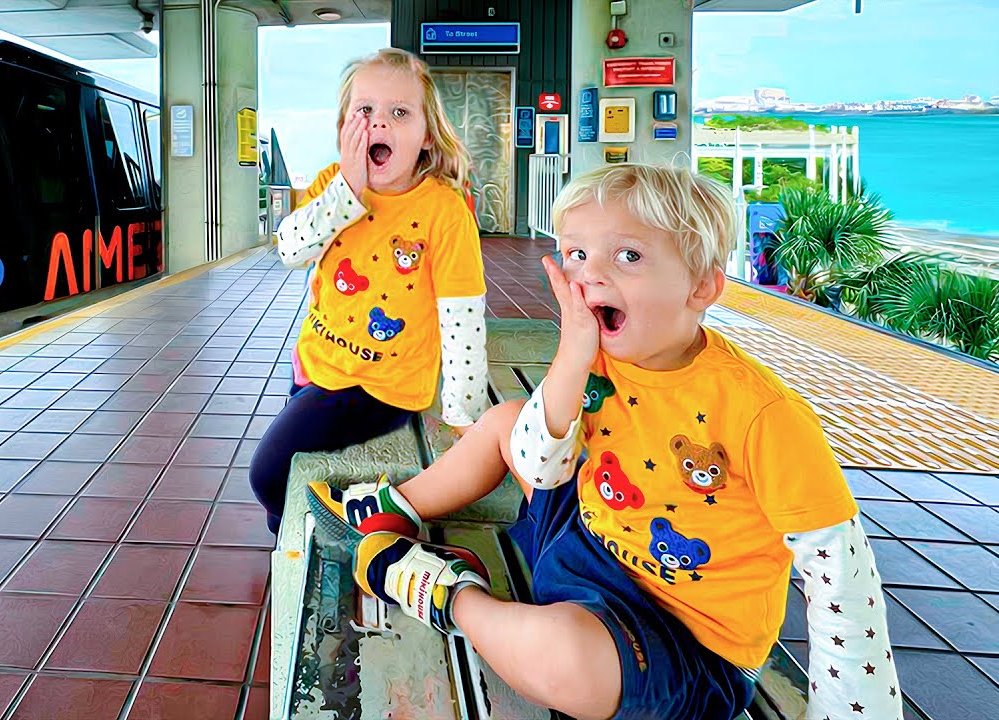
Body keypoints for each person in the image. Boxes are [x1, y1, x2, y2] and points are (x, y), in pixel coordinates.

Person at [308, 164, 902, 720]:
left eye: (628, 255)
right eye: (576, 254)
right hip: (584, 540)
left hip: (678, 641)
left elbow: (839, 571)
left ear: (702, 287)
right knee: (508, 419)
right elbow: (541, 468)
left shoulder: (760, 414)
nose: (591, 274)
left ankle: (449, 593)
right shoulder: (594, 363)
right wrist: (570, 359)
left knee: (563, 658)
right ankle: (401, 505)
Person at [249, 47, 488, 534]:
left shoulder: (443, 211)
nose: (379, 123)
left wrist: (467, 418)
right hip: (316, 364)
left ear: (426, 137)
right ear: (344, 128)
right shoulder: (330, 186)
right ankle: (296, 549)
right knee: (282, 507)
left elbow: (462, 316)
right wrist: (347, 191)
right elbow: (290, 248)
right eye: (365, 111)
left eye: (399, 113)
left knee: (269, 476)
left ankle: (360, 519)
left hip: (382, 388)